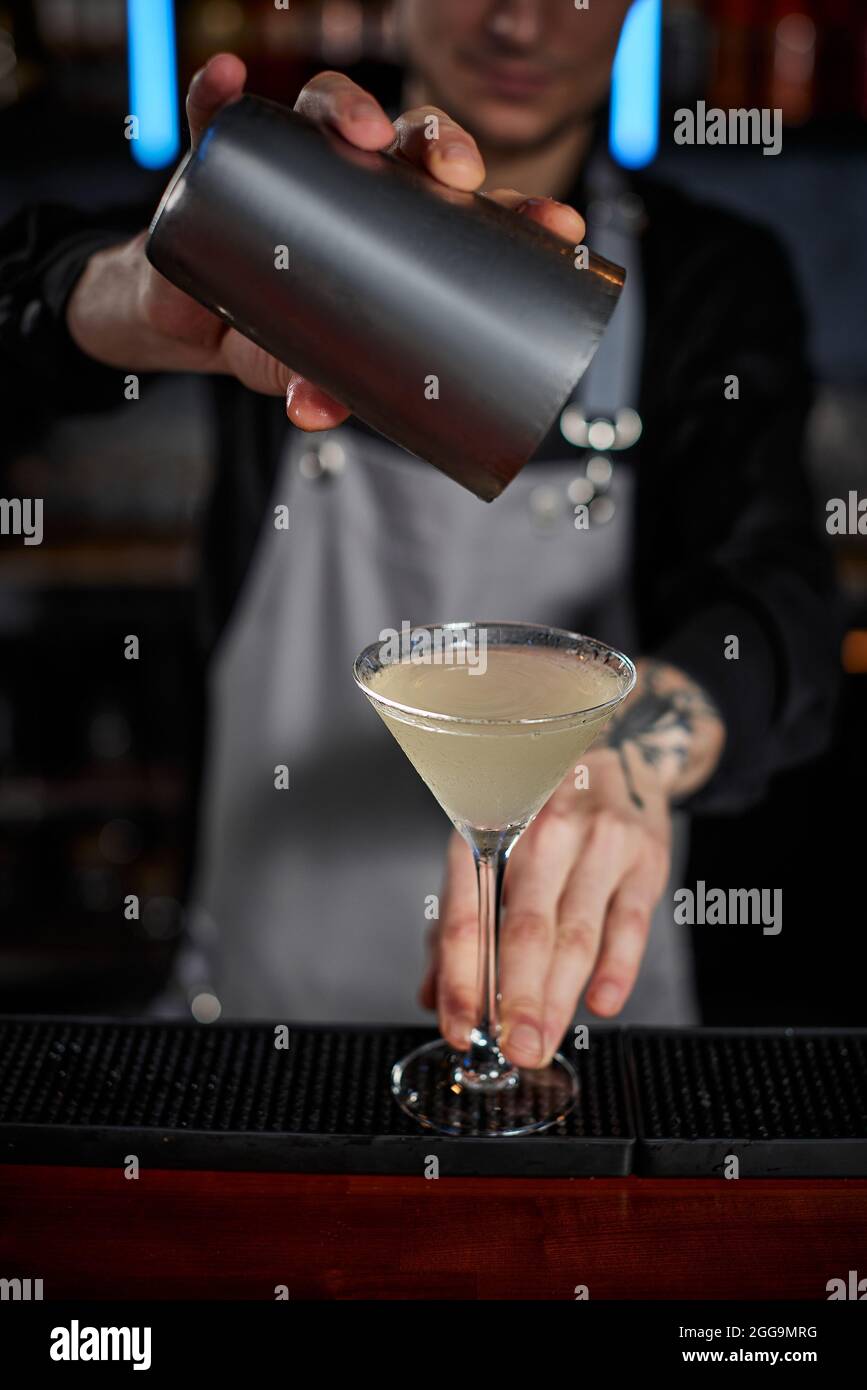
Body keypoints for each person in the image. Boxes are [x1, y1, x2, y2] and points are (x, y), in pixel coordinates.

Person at [1, 1, 837, 1066]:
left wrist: (625, 757)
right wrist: (120, 296)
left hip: (585, 1038)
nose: (520, 24)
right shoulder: (280, 231)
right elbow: (22, 297)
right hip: (264, 1029)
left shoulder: (715, 281)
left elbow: (781, 598)